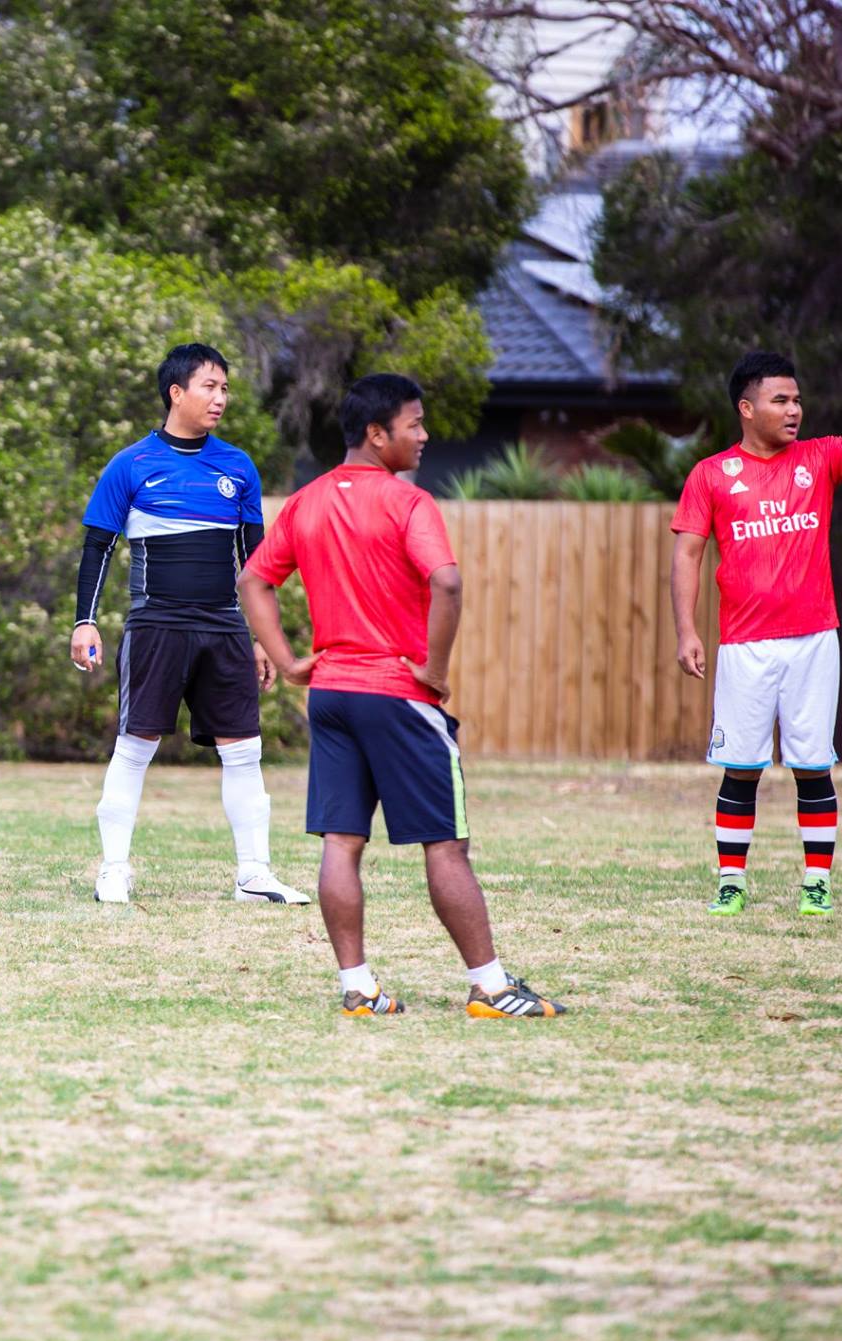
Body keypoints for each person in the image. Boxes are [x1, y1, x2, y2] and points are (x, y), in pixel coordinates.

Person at [237, 373, 566, 1018]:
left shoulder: (305, 501)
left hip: (331, 694)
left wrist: (287, 662)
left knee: (342, 843)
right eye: (414, 424)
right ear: (375, 433)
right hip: (398, 693)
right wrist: (435, 671)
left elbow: (254, 580)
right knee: (445, 845)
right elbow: (446, 582)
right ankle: (493, 988)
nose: (425, 435)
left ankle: (358, 989)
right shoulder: (408, 502)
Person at [71, 342, 309, 907]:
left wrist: (257, 637)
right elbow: (96, 549)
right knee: (135, 746)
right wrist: (84, 621)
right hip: (157, 626)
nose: (220, 398)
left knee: (244, 750)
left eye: (225, 388)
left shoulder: (237, 467)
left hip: (224, 628)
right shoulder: (130, 464)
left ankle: (254, 875)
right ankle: (114, 868)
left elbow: (256, 567)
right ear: (176, 392)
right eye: (209, 386)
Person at [671, 350, 842, 917]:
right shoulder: (711, 474)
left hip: (813, 640)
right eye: (781, 400)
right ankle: (731, 882)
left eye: (798, 399)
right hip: (744, 646)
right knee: (742, 767)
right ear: (747, 408)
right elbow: (687, 553)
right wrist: (687, 630)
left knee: (813, 765)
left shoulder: (820, 459)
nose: (795, 409)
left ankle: (817, 884)